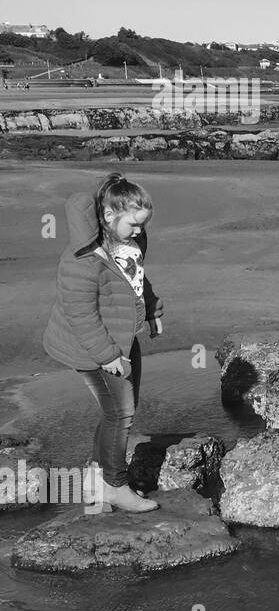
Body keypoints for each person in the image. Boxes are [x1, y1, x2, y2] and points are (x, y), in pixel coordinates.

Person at [43, 172, 165, 512]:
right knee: (121, 413)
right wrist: (107, 355)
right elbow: (80, 314)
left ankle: (96, 479)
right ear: (109, 217)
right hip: (92, 348)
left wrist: (153, 310)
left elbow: (136, 282)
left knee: (117, 411)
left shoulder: (129, 245)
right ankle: (115, 486)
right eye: (134, 224)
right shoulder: (82, 258)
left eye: (143, 224)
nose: (140, 231)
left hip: (123, 335)